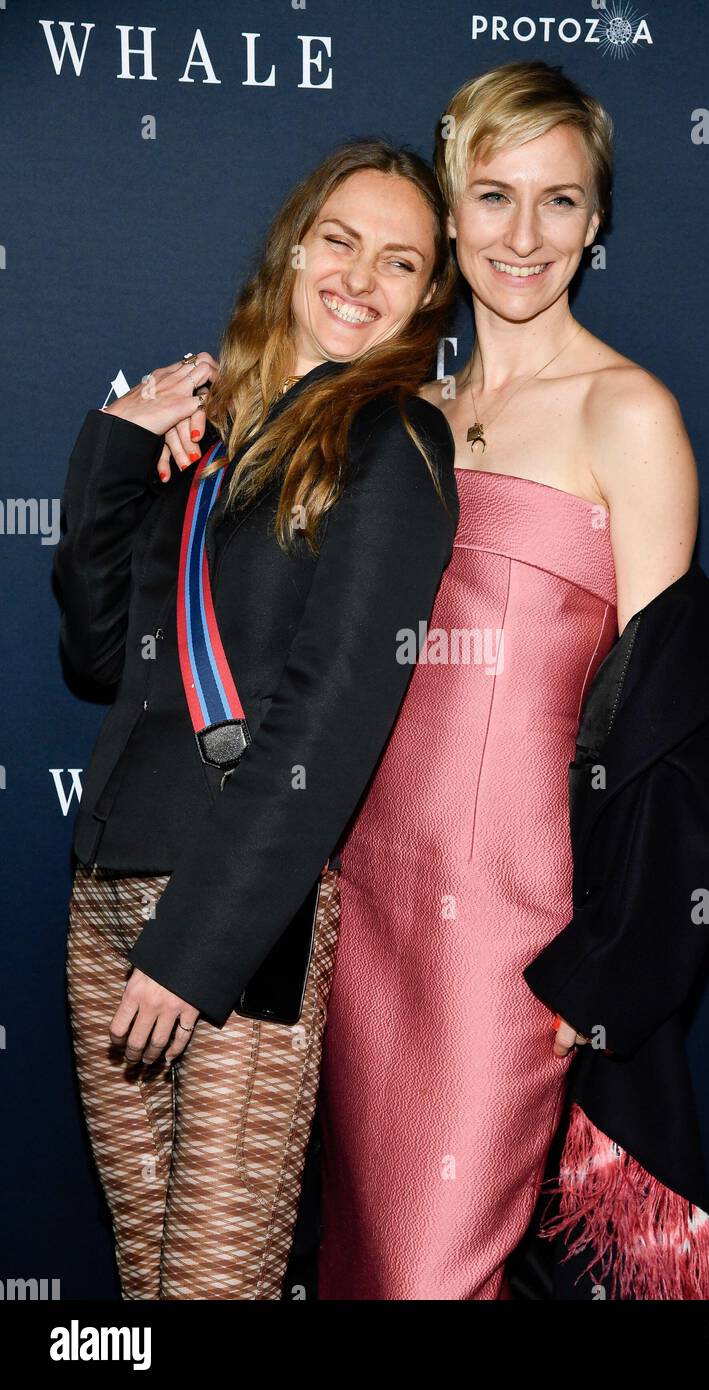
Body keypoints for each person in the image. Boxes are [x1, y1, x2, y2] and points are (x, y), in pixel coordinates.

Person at [317, 64, 709, 1299]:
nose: (521, 235)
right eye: (492, 196)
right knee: (360, 1262)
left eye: (558, 202)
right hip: (360, 913)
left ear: (596, 221)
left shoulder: (627, 413)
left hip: (506, 931)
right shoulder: (404, 413)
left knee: (425, 1274)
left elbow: (677, 721)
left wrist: (615, 960)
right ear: (447, 211)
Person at [53, 139, 458, 1300]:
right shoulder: (218, 432)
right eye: (338, 240)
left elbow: (330, 725)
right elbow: (92, 654)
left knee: (213, 1289)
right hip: (102, 885)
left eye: (398, 261)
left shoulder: (394, 443)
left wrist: (195, 950)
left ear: (428, 294)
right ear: (291, 249)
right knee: (146, 1282)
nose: (358, 278)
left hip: (242, 918)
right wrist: (123, 445)